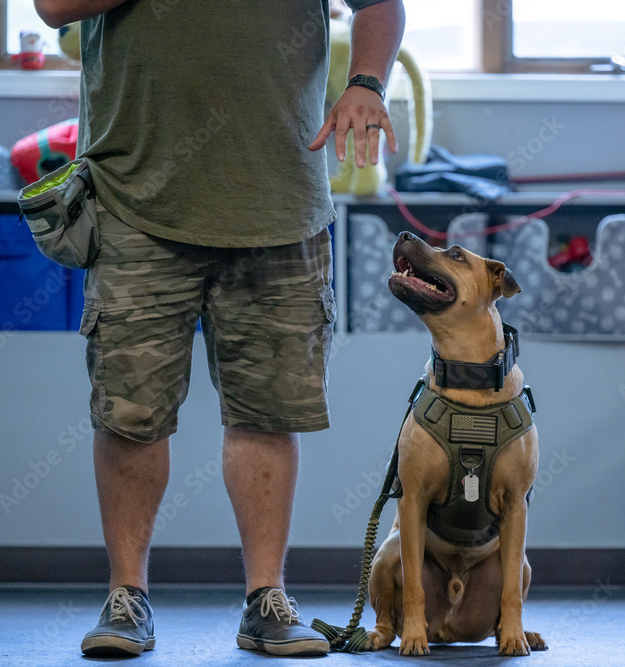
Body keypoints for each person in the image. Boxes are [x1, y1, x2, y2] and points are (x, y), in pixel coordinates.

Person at [33, 0, 404, 658]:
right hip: (134, 199)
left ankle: (267, 599)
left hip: (279, 202)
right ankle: (127, 597)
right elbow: (53, 6)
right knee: (130, 411)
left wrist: (367, 81)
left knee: (267, 412)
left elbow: (380, 4)